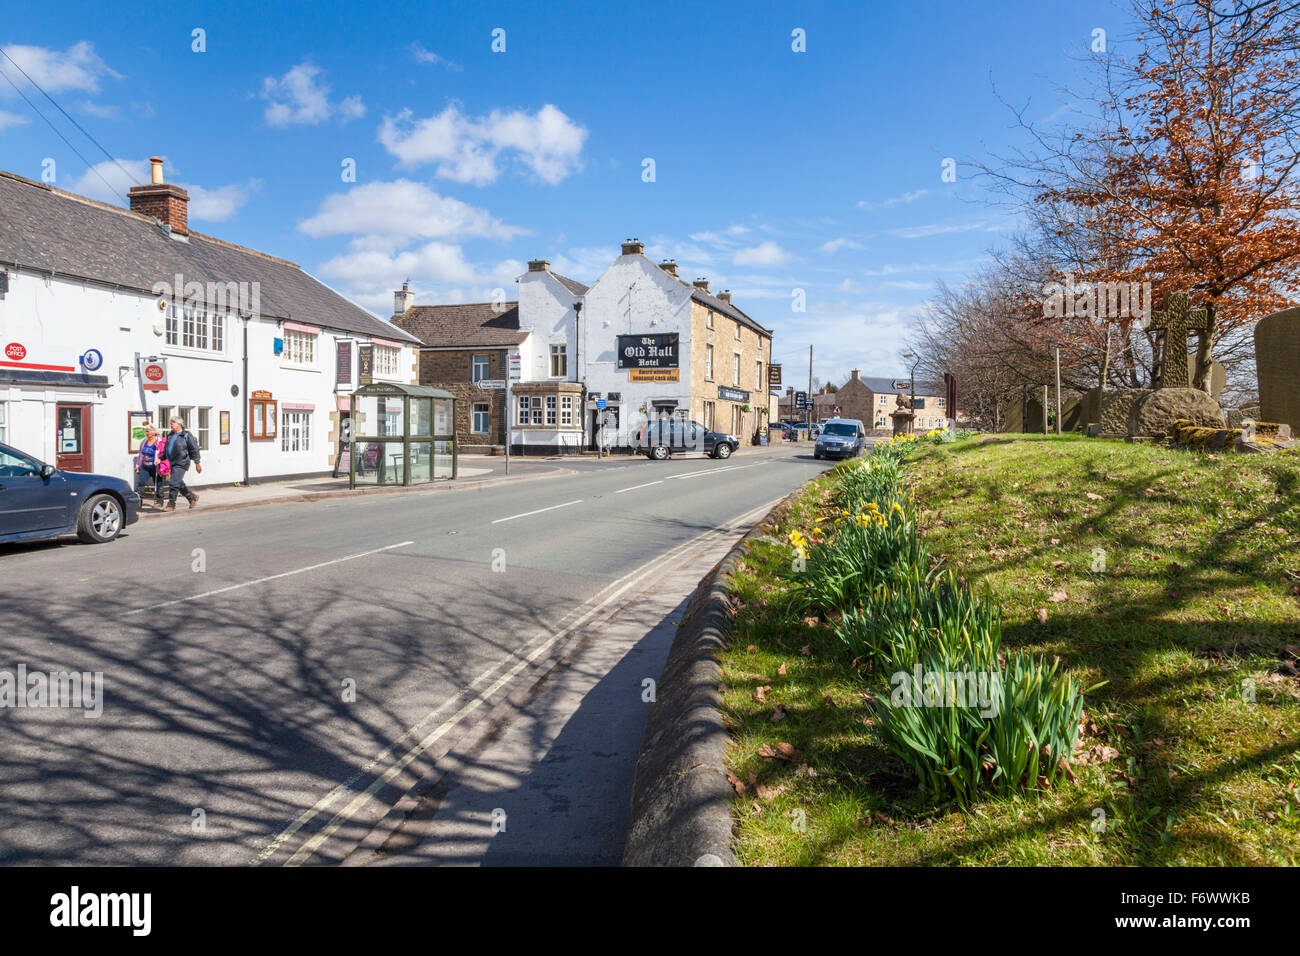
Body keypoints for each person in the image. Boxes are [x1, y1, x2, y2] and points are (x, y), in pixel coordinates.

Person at [162, 416, 202, 511]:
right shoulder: (170, 435)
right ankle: (192, 497)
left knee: (174, 482)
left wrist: (197, 462)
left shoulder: (186, 435)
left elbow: (194, 449)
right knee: (178, 482)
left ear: (179, 424)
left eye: (172, 423)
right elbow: (166, 448)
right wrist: (161, 458)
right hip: (172, 462)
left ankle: (171, 504)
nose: (170, 425)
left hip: (182, 462)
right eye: (170, 423)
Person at [134, 425, 166, 505]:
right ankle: (138, 501)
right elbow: (141, 454)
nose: (146, 433)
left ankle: (159, 501)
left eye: (148, 431)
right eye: (146, 431)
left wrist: (160, 460)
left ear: (154, 432)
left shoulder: (159, 442)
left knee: (158, 483)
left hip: (156, 466)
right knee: (141, 483)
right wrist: (137, 465)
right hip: (145, 467)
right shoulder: (144, 441)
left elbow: (163, 453)